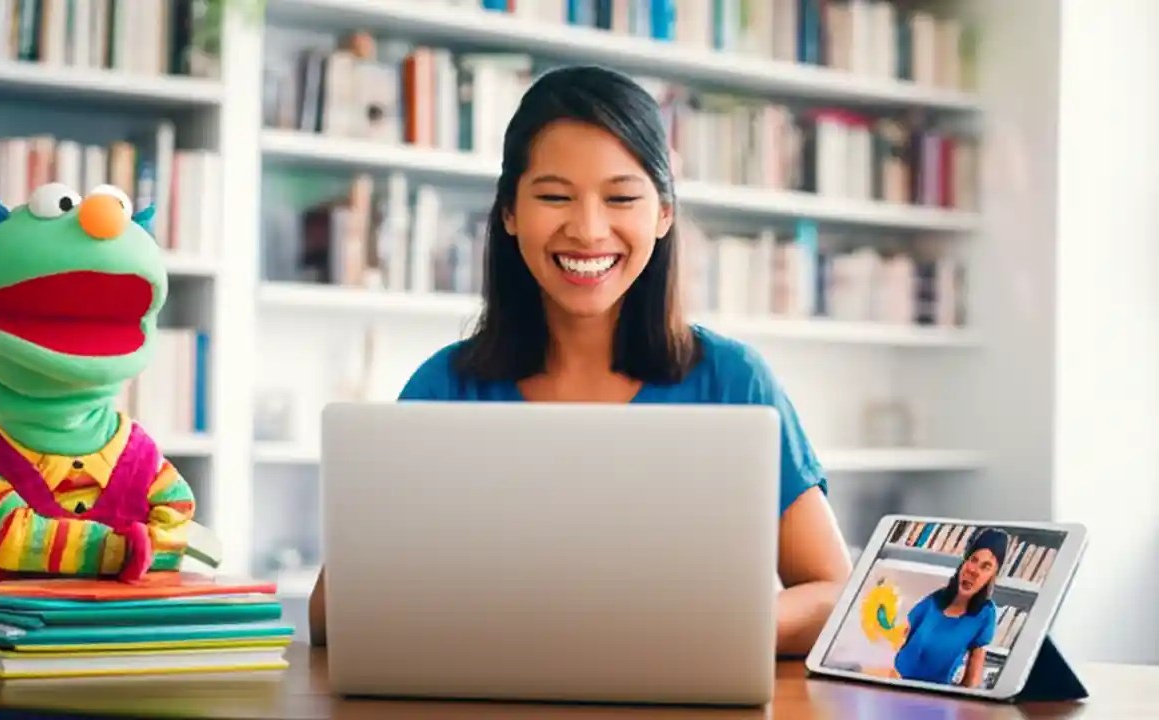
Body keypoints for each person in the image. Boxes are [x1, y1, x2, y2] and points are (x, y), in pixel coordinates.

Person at [310, 64, 853, 656]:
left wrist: (700, 634)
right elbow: (332, 614)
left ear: (663, 213)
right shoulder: (447, 385)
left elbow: (833, 592)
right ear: (510, 213)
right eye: (553, 196)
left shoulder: (732, 380)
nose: (588, 230)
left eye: (620, 197)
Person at [892, 527, 1009, 687]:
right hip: (895, 682)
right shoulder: (935, 599)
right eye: (973, 560)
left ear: (992, 576)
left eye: (985, 567)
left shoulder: (985, 614)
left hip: (934, 698)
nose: (974, 571)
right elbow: (901, 637)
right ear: (964, 562)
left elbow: (972, 679)